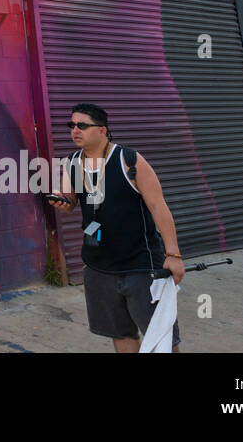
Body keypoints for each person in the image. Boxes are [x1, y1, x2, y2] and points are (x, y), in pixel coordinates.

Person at [49, 102, 185, 352]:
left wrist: (173, 255)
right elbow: (70, 203)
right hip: (99, 267)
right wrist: (62, 201)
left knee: (161, 338)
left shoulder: (129, 160)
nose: (74, 130)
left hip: (141, 265)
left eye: (82, 125)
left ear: (102, 130)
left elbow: (158, 207)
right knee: (121, 335)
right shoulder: (72, 163)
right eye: (72, 125)